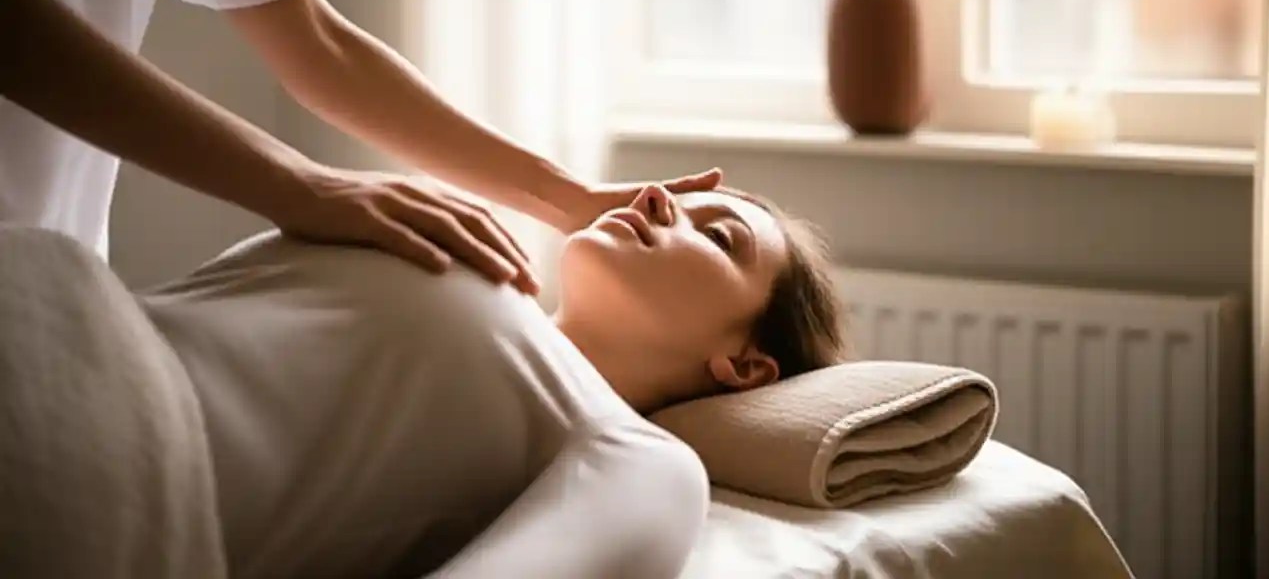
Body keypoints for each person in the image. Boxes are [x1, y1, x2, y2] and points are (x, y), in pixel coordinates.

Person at [0, 184, 844, 578]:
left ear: (744, 366)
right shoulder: (448, 241)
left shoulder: (642, 458)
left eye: (719, 234)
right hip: (45, 307)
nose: (661, 195)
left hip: (87, 468)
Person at [0, 0, 719, 294]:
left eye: (721, 238)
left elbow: (317, 43)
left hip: (53, 298)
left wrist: (567, 199)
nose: (662, 205)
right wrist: (301, 184)